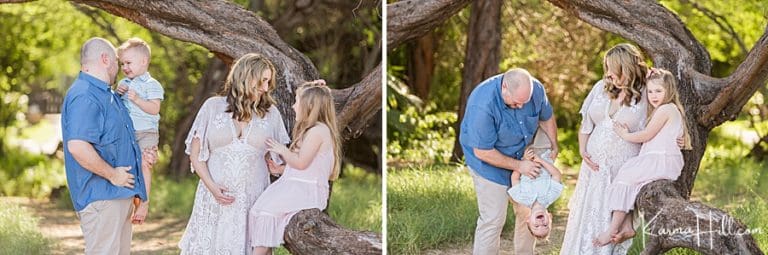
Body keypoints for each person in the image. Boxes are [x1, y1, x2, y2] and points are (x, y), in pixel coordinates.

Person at [178, 53, 290, 254]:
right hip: (212, 197)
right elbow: (196, 156)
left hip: (253, 199)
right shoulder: (212, 107)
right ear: (246, 76)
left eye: (268, 82)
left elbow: (280, 158)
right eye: (262, 80)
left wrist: (277, 168)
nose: (265, 88)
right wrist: (212, 187)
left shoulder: (271, 114)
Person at [560, 43, 649, 254]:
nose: (608, 73)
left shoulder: (647, 92)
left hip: (621, 169)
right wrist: (582, 150)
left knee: (610, 223)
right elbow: (586, 124)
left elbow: (659, 125)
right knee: (586, 219)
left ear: (626, 67)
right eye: (606, 67)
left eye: (612, 68)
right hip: (593, 169)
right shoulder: (600, 88)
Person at [61, 37, 147, 254]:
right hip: (103, 197)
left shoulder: (106, 94)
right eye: (118, 63)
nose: (120, 68)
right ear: (105, 59)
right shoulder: (85, 94)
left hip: (117, 197)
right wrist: (112, 175)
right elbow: (77, 146)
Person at [459, 68, 558, 255]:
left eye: (524, 103)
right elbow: (483, 151)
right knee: (494, 218)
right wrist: (520, 166)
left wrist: (554, 145)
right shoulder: (482, 104)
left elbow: (546, 117)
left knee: (528, 212)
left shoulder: (535, 90)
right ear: (505, 87)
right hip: (488, 162)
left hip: (524, 153)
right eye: (515, 103)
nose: (521, 107)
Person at [593, 68, 691, 246]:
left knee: (624, 178)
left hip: (660, 161)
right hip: (661, 160)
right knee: (632, 182)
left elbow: (646, 135)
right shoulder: (669, 109)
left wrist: (624, 135)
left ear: (669, 91)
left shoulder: (665, 109)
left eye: (658, 91)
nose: (653, 95)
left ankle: (612, 229)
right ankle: (629, 226)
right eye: (651, 91)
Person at [248, 80, 341, 255]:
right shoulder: (313, 130)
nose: (293, 106)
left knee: (267, 212)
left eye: (297, 101)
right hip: (297, 186)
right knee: (259, 211)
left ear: (309, 105)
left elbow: (301, 163)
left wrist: (282, 150)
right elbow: (309, 167)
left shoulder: (318, 132)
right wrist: (281, 170)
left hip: (307, 191)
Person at [115, 37, 164, 224]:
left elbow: (154, 109)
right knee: (130, 166)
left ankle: (144, 201)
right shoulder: (125, 82)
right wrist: (118, 93)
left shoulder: (152, 84)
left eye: (128, 62)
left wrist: (136, 99)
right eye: (122, 64)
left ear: (143, 61)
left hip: (147, 132)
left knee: (145, 163)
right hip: (129, 133)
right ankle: (132, 200)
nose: (125, 67)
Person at [507, 146, 564, 241]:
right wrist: (541, 160)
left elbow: (515, 178)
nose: (541, 223)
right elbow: (556, 175)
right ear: (550, 217)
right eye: (545, 225)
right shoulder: (552, 195)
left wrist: (524, 160)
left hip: (524, 154)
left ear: (528, 220)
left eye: (536, 226)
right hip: (544, 152)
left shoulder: (519, 197)